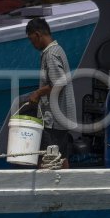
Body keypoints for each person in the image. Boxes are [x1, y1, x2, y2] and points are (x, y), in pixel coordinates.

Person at [26, 17, 78, 168]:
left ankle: (48, 188)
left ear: (37, 35)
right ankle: (66, 187)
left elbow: (58, 83)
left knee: (48, 157)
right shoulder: (58, 49)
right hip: (60, 117)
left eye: (31, 39)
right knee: (61, 156)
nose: (32, 44)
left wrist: (38, 93)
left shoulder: (51, 54)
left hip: (55, 118)